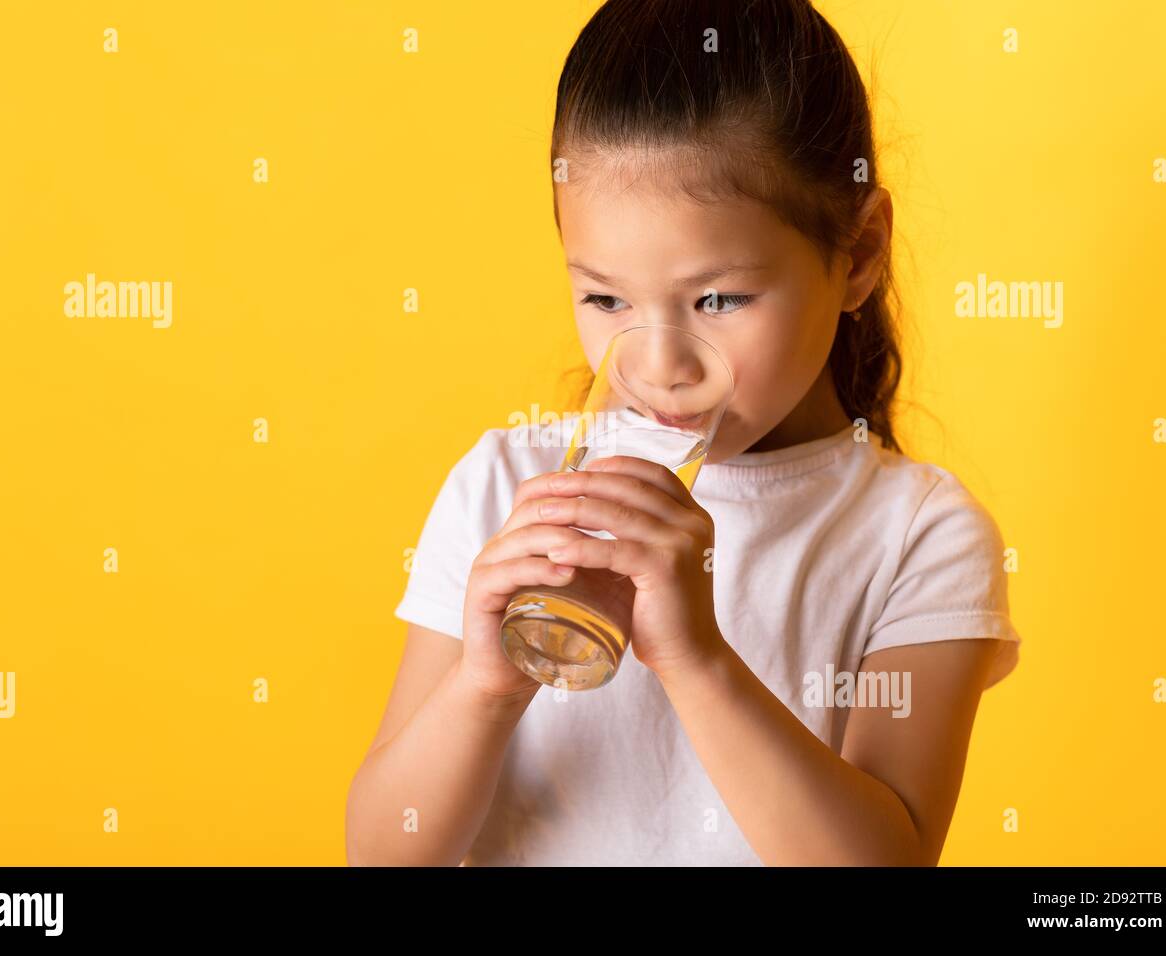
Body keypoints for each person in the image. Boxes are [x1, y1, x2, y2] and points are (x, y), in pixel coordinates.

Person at [347, 0, 1021, 866]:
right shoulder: (504, 489)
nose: (659, 363)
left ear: (858, 255)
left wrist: (696, 660)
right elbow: (382, 854)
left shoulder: (918, 537)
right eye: (604, 299)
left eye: (719, 300)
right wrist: (483, 684)